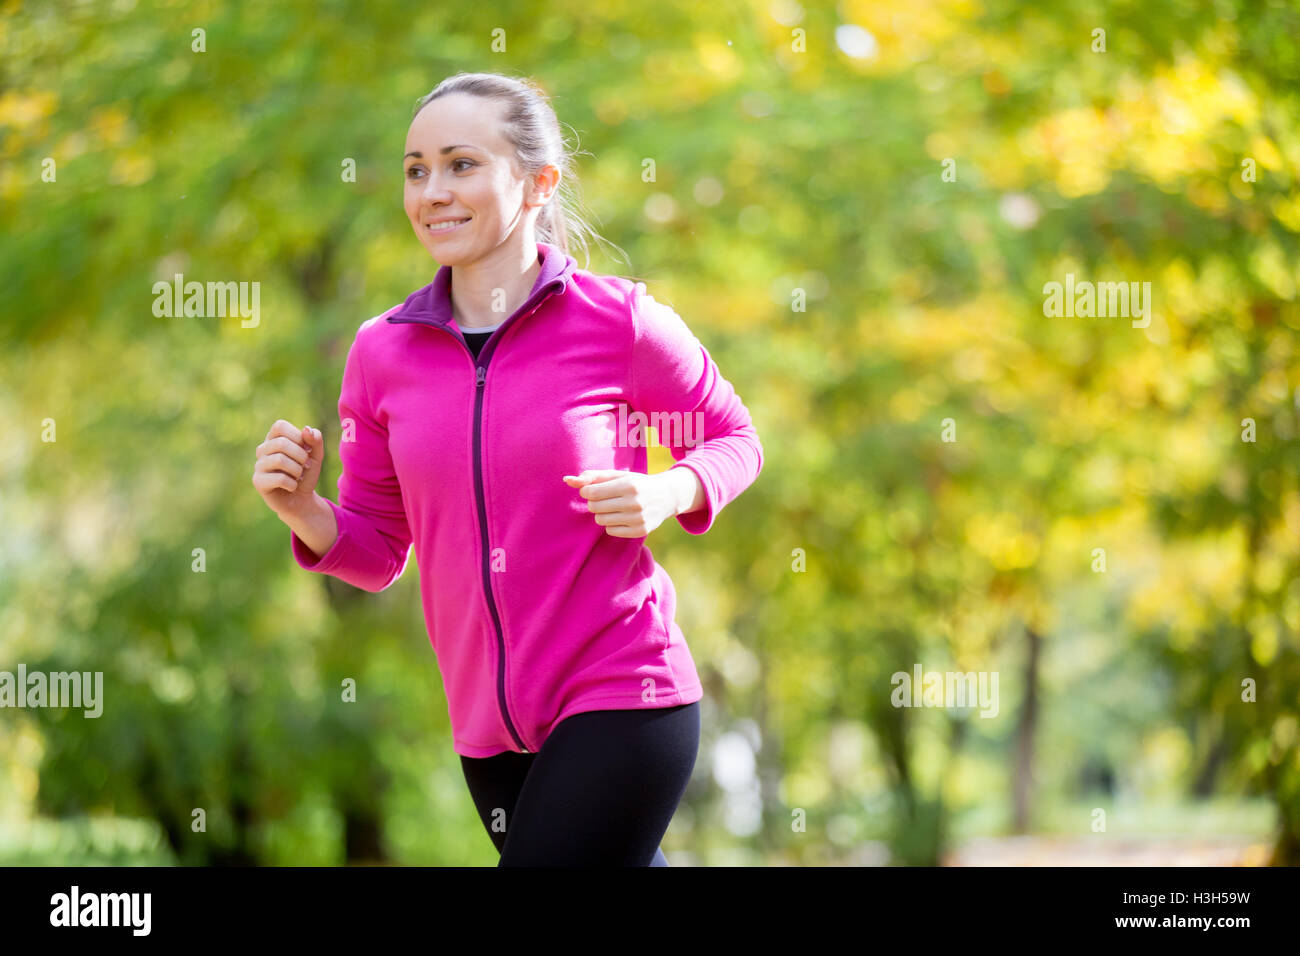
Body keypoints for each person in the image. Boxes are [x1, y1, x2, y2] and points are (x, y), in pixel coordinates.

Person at [251, 71, 763, 866]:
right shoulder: (380, 353)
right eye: (416, 169)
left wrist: (669, 487)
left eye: (461, 164)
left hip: (623, 691)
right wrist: (303, 512)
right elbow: (381, 549)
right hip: (488, 736)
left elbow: (735, 437)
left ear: (537, 183)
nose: (432, 191)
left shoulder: (618, 322)